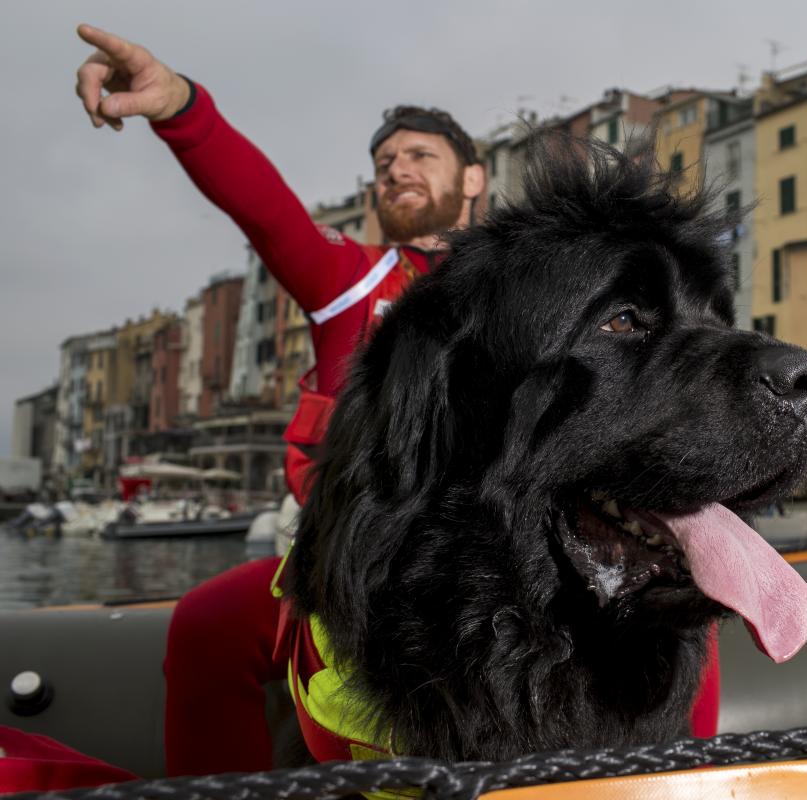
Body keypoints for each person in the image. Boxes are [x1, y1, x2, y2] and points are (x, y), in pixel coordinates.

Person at [72, 25, 719, 777]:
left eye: (419, 155)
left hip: (513, 547)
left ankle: (684, 779)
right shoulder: (348, 281)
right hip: (377, 564)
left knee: (683, 611)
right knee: (204, 621)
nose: (396, 171)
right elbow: (266, 211)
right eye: (384, 164)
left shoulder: (549, 284)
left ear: (473, 178)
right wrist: (181, 107)